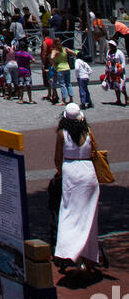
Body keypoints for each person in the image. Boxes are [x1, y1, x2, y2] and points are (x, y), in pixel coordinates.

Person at [53, 104, 105, 277]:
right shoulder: (88, 131)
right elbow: (94, 152)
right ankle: (89, 259)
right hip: (88, 173)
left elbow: (57, 159)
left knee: (70, 217)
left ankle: (78, 258)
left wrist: (60, 172)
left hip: (71, 174)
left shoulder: (62, 134)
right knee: (89, 218)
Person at [101, 40, 127, 106]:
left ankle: (126, 97)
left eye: (111, 46)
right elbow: (107, 60)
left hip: (119, 72)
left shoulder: (119, 53)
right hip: (112, 72)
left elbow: (123, 62)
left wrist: (121, 69)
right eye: (109, 45)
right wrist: (107, 70)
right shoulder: (108, 52)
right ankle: (118, 100)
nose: (110, 47)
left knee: (121, 86)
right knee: (115, 87)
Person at [52, 40, 75, 105]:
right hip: (67, 67)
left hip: (60, 68)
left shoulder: (55, 50)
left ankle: (63, 100)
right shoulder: (65, 49)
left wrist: (54, 63)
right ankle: (71, 99)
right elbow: (74, 52)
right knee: (68, 84)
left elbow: (51, 57)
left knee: (62, 84)